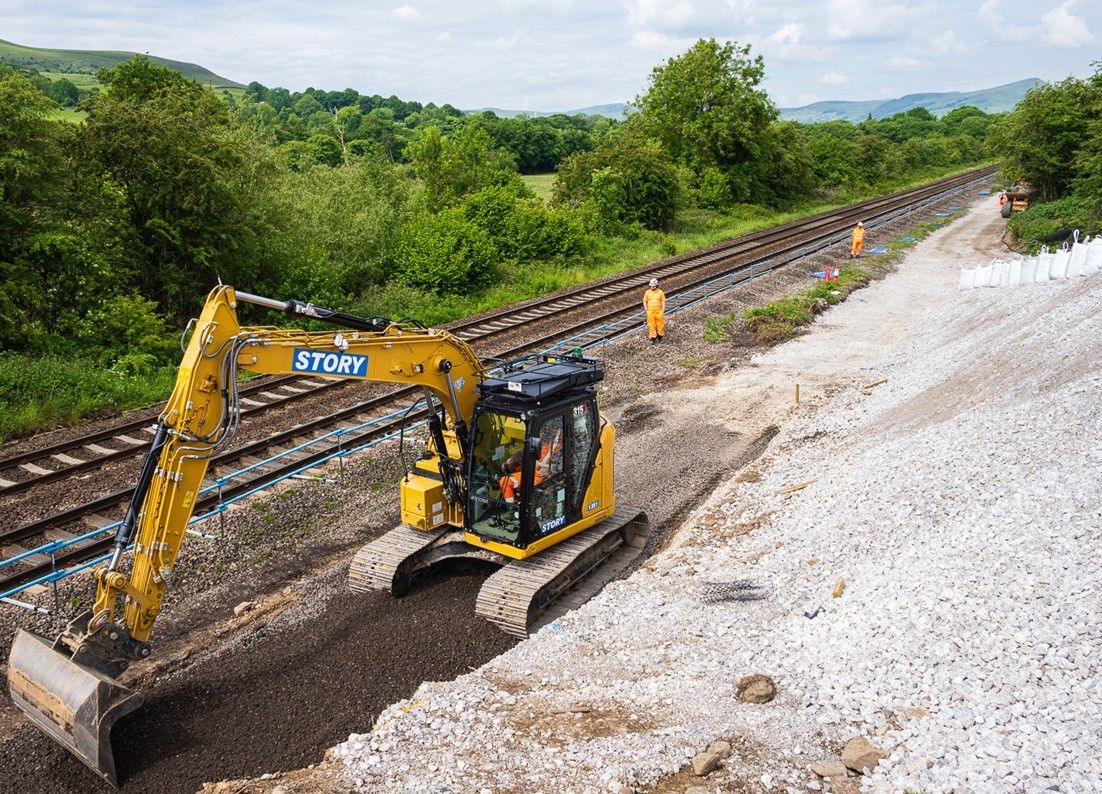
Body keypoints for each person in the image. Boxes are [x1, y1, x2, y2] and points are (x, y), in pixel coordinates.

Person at [643, 277, 666, 344]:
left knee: (660, 325)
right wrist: (646, 311)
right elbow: (644, 301)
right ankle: (653, 338)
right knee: (651, 325)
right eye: (651, 286)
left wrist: (662, 311)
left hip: (659, 312)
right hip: (650, 312)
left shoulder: (660, 292)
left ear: (656, 285)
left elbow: (663, 301)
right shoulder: (647, 292)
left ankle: (660, 337)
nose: (652, 287)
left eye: (653, 286)